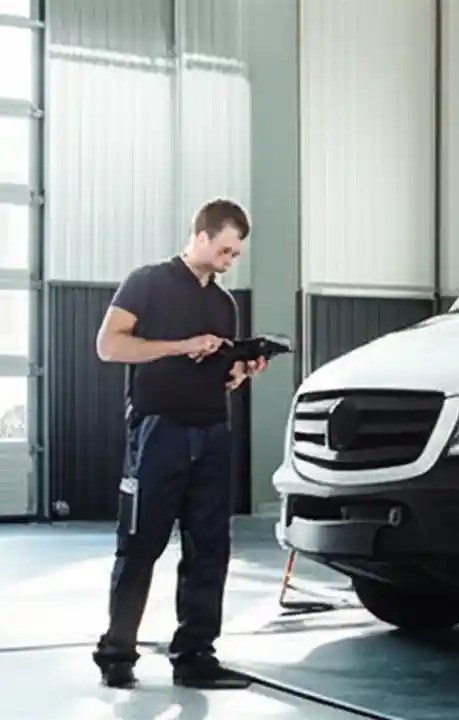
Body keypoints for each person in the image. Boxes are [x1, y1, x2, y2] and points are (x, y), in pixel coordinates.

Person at [90, 199, 268, 689]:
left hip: (212, 433)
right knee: (140, 544)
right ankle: (117, 654)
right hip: (158, 431)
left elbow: (221, 369)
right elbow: (109, 346)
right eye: (227, 250)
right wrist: (180, 345)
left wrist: (239, 370)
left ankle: (194, 656)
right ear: (203, 236)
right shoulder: (146, 281)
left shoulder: (224, 303)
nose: (231, 261)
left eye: (237, 254)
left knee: (210, 546)